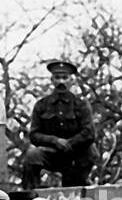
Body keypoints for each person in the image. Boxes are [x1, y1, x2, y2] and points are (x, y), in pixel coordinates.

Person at [20, 59, 97, 189]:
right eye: (57, 77)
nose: (61, 82)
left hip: (77, 155)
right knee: (32, 156)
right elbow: (34, 134)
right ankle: (30, 195)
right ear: (52, 80)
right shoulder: (42, 105)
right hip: (53, 154)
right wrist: (55, 141)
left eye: (65, 78)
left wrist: (69, 143)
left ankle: (81, 186)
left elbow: (89, 133)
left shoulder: (81, 105)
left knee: (74, 191)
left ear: (71, 81)